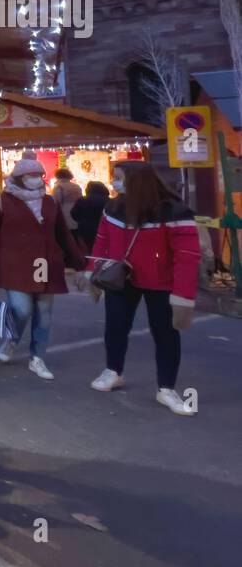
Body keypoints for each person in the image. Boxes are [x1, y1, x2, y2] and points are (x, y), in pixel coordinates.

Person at [88, 161, 200, 415]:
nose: (114, 182)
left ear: (135, 181)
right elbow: (101, 241)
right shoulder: (113, 207)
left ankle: (166, 388)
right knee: (115, 326)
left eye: (118, 178)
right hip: (120, 278)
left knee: (166, 334)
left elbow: (187, 256)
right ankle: (113, 370)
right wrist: (92, 274)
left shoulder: (174, 212)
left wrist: (183, 297)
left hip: (161, 282)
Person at [0, 151, 85, 380]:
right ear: (19, 177)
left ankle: (38, 356)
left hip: (44, 262)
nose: (36, 178)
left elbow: (63, 235)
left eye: (39, 174)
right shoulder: (1, 201)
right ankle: (11, 341)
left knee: (44, 312)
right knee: (21, 308)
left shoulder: (49, 201)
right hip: (14, 263)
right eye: (31, 175)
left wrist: (80, 265)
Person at [71, 180, 109, 255]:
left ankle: (87, 264)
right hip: (102, 229)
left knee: (86, 250)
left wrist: (81, 220)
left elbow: (74, 213)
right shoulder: (108, 201)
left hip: (84, 228)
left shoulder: (82, 200)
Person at [52, 167, 82, 231]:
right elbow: (80, 200)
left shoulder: (58, 187)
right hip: (77, 213)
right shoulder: (77, 186)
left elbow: (56, 202)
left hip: (64, 213)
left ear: (57, 176)